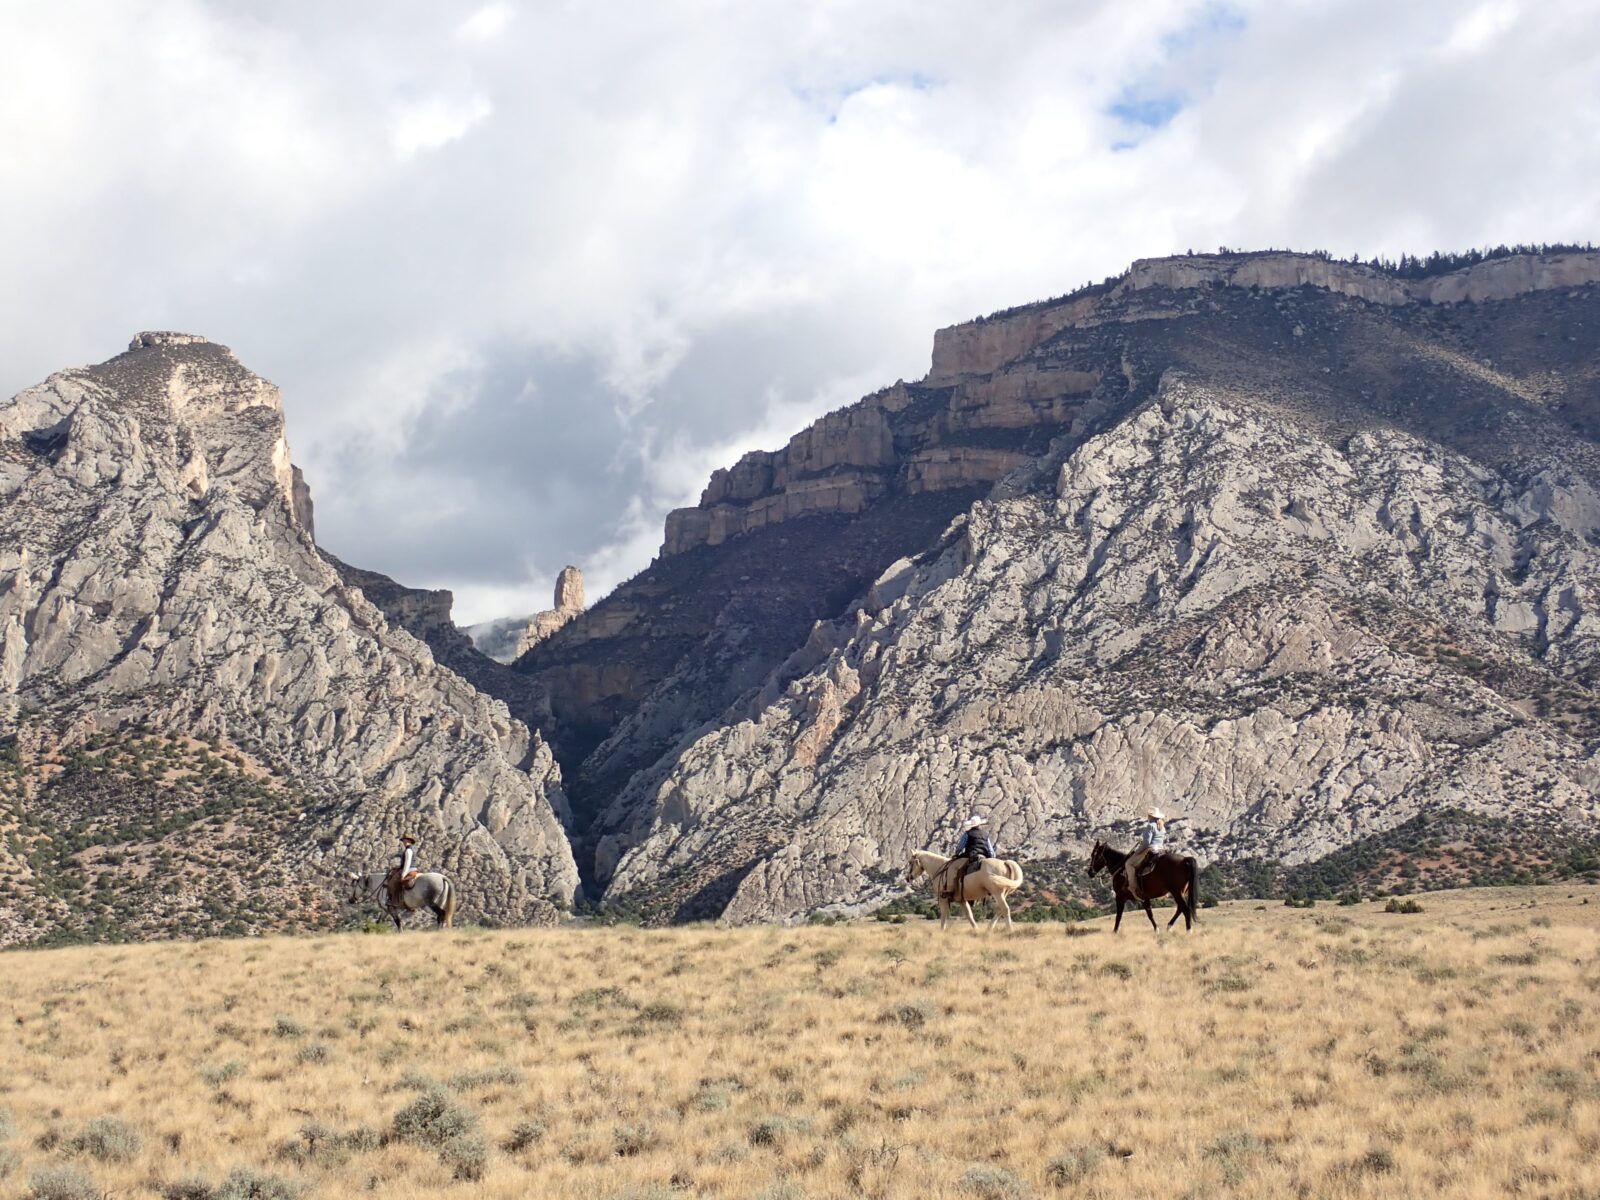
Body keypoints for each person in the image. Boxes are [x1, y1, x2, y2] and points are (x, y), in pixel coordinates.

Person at [947, 815, 996, 900]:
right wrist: (991, 858)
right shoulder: (985, 835)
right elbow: (991, 850)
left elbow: (960, 847)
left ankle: (952, 891)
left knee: (955, 869)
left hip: (972, 855)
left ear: (971, 825)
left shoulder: (968, 834)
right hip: (985, 857)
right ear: (979, 825)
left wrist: (957, 854)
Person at [1123, 809, 1167, 900]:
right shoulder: (1162, 826)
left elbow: (1146, 843)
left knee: (1129, 864)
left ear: (1152, 817)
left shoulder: (1151, 826)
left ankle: (1132, 887)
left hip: (1151, 849)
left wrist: (1138, 851)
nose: (1148, 817)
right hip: (1161, 849)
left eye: (1149, 815)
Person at [386, 835, 418, 908]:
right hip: (412, 868)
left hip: (409, 869)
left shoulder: (408, 850)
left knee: (391, 883)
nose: (404, 841)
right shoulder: (412, 849)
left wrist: (403, 875)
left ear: (410, 841)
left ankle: (393, 901)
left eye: (406, 840)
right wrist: (398, 867)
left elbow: (407, 863)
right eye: (404, 840)